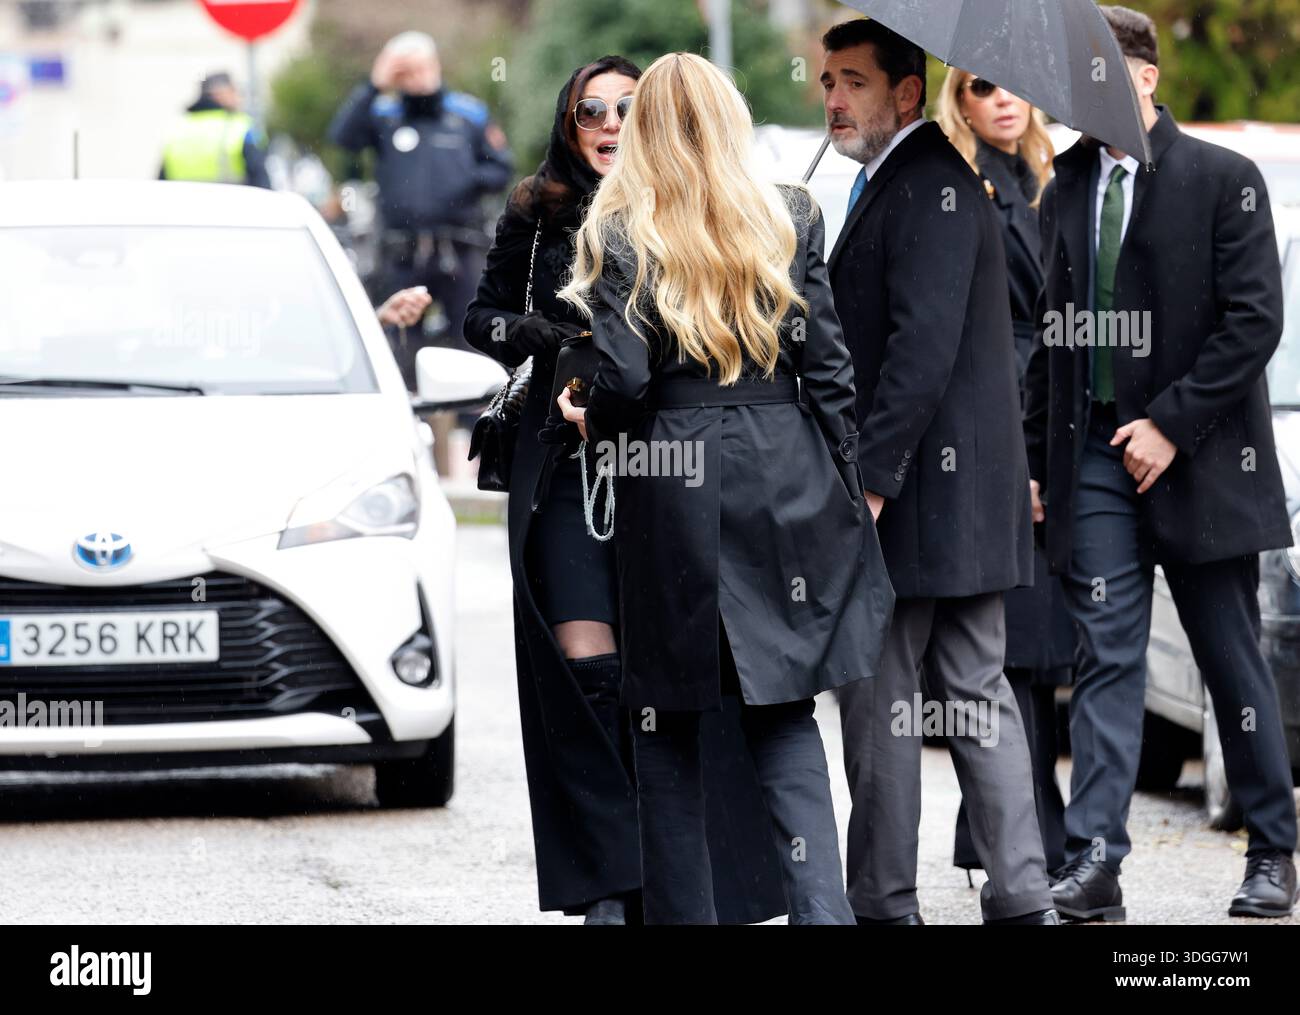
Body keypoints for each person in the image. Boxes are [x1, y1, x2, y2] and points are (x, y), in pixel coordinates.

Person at [557, 51, 895, 925]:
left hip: (674, 483)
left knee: (667, 726)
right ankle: (826, 915)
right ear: (731, 117)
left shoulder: (620, 229)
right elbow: (830, 371)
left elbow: (626, 382)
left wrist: (586, 410)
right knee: (783, 717)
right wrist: (844, 489)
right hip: (786, 474)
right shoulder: (788, 213)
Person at [465, 57, 786, 926]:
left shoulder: (686, 206)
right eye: (589, 111)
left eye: (627, 108)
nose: (609, 123)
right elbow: (480, 319)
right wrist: (551, 335)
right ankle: (609, 877)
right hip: (564, 469)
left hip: (662, 470)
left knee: (666, 674)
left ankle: (672, 876)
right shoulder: (536, 212)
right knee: (587, 669)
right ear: (570, 125)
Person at [1025, 5, 1298, 921]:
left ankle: (1273, 851)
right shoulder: (1063, 185)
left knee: (1230, 662)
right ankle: (1097, 859)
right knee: (1106, 654)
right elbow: (1052, 344)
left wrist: (1171, 424)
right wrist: (1034, 457)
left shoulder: (1224, 178)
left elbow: (1255, 320)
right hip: (1096, 455)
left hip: (1203, 459)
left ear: (1142, 78)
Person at [819, 18, 1056, 925]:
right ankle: (1021, 896)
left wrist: (873, 481)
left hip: (914, 499)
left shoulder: (929, 184)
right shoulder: (911, 181)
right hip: (956, 500)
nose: (833, 99)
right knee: (975, 695)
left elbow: (921, 348)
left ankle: (884, 901)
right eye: (827, 81)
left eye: (852, 81)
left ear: (907, 92)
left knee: (881, 703)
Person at [937, 68, 1071, 877]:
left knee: (1042, 644)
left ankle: (1011, 832)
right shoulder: (964, 187)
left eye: (1016, 86)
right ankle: (1022, 837)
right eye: (984, 86)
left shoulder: (1046, 180)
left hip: (1054, 422)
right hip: (1001, 428)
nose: (1003, 98)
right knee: (1012, 645)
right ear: (959, 99)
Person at [329, 31, 514, 385]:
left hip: (460, 247)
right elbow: (343, 138)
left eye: (422, 67)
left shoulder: (468, 114)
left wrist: (462, 180)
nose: (417, 77)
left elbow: (500, 167)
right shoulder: (384, 115)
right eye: (406, 71)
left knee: (473, 337)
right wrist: (374, 83)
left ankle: (474, 423)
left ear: (436, 66)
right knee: (401, 342)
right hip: (402, 251)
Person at [159, 72, 270, 188]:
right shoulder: (239, 127)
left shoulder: (178, 129)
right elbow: (260, 177)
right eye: (234, 91)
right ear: (219, 93)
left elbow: (162, 182)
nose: (239, 98)